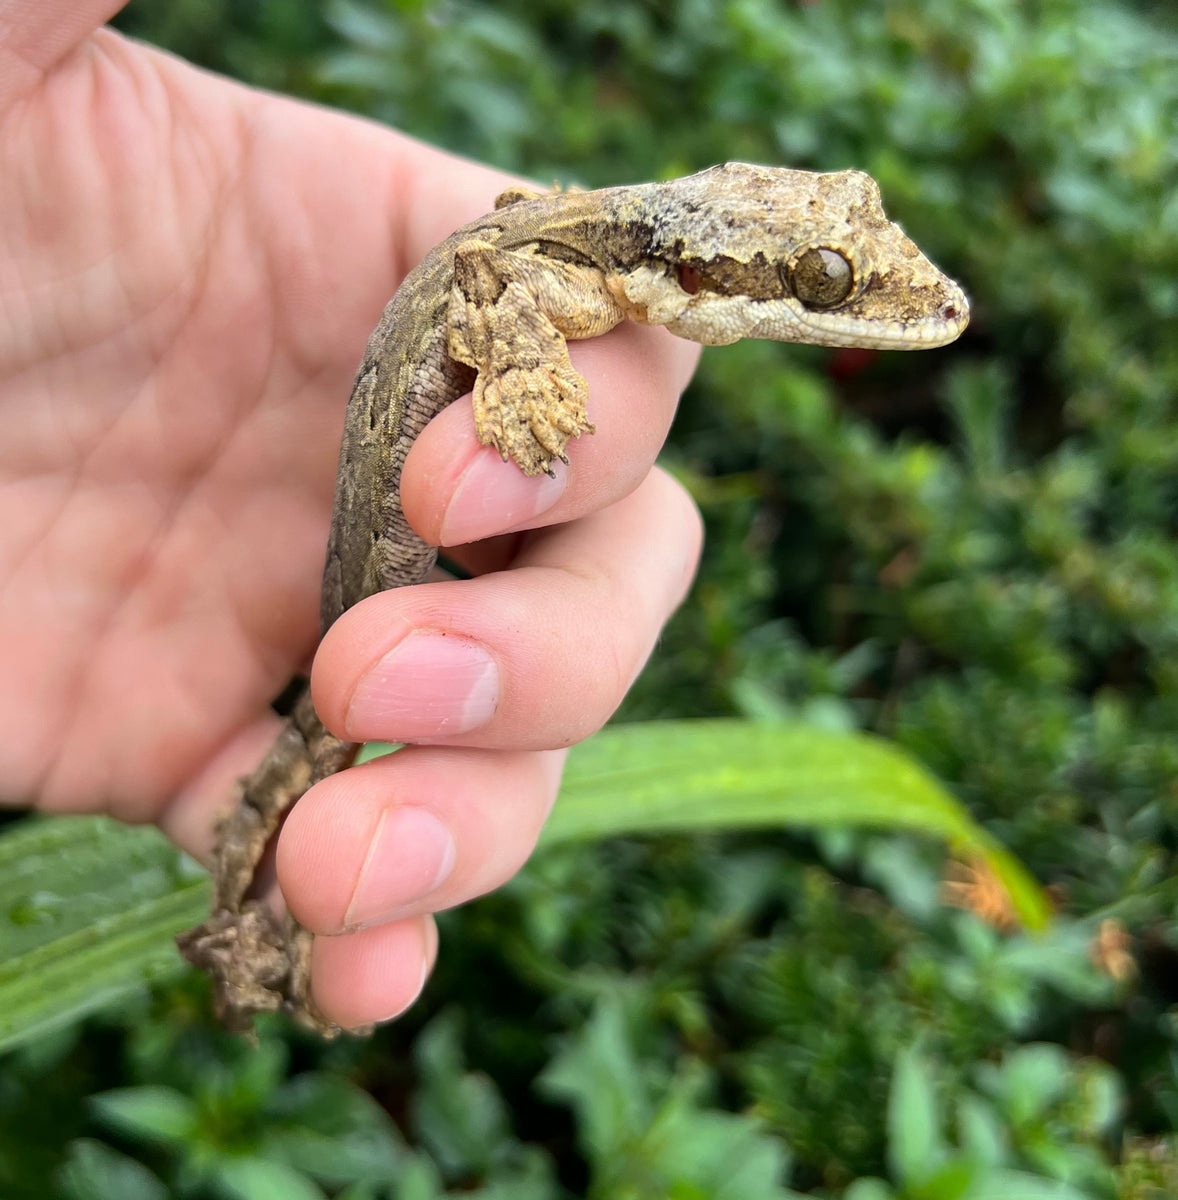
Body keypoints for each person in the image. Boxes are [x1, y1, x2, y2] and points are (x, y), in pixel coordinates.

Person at [0, 3, 702, 1029]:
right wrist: (522, 374)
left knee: (325, 764)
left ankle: (253, 943)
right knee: (321, 751)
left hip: (340, 602)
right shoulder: (557, 273)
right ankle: (249, 945)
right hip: (360, 572)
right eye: (821, 284)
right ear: (692, 270)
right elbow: (482, 281)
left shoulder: (574, 276)